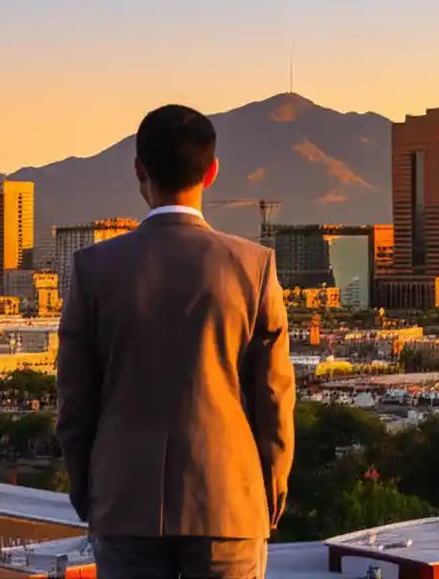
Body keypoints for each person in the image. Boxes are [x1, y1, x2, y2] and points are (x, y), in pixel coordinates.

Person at [57, 104, 295, 579]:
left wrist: (90, 490)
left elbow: (75, 403)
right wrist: (268, 491)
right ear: (211, 172)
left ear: (139, 171)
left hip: (124, 501)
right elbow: (274, 398)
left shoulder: (94, 270)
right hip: (229, 500)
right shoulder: (254, 267)